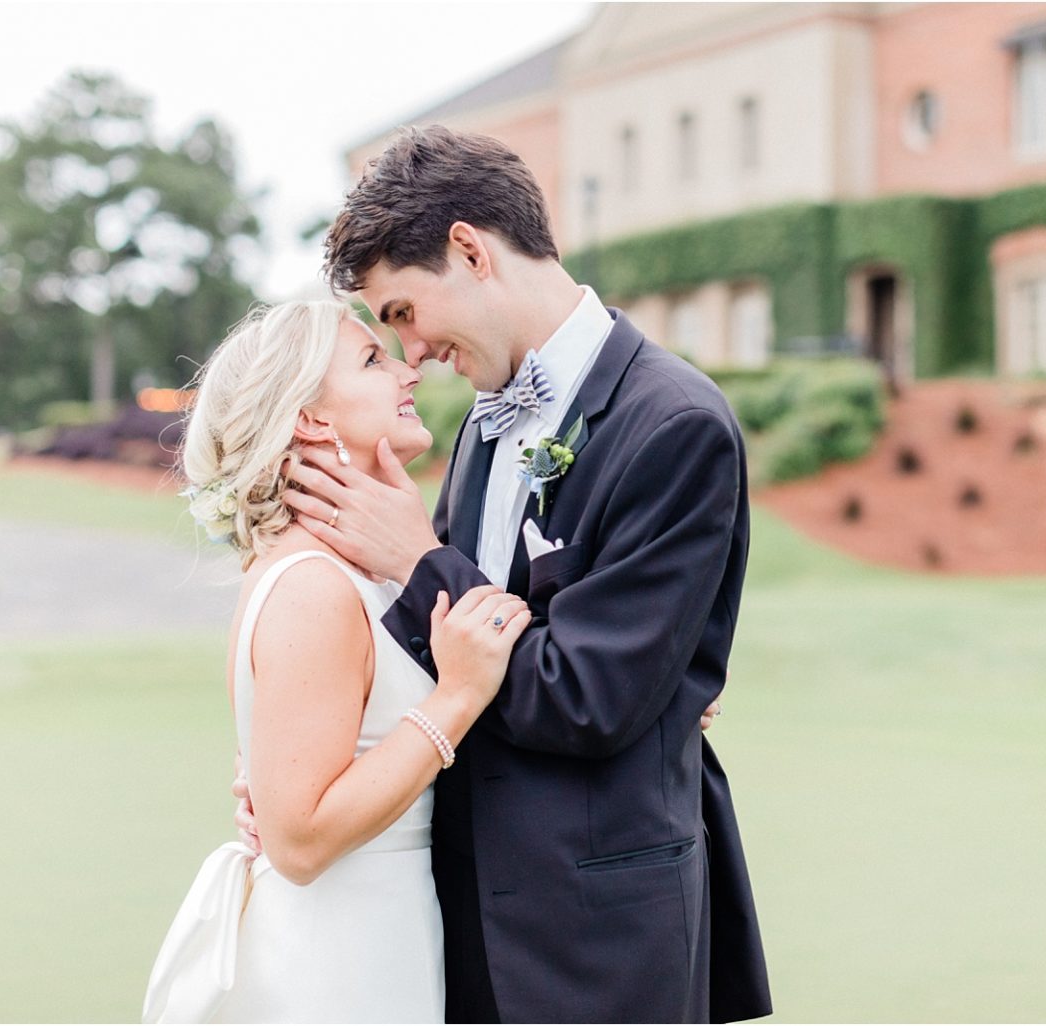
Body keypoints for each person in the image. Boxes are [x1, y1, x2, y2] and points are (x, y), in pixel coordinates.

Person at [240, 124, 771, 1023]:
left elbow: (591, 698)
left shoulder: (673, 423)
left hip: (596, 936)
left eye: (403, 313)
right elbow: (449, 649)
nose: (410, 354)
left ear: (470, 252)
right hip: (451, 919)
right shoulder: (483, 427)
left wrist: (415, 558)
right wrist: (313, 775)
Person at [143, 301, 532, 1023]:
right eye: (371, 361)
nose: (406, 368)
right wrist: (455, 700)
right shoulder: (312, 587)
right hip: (336, 962)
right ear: (311, 420)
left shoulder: (364, 570)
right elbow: (298, 839)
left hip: (388, 934)